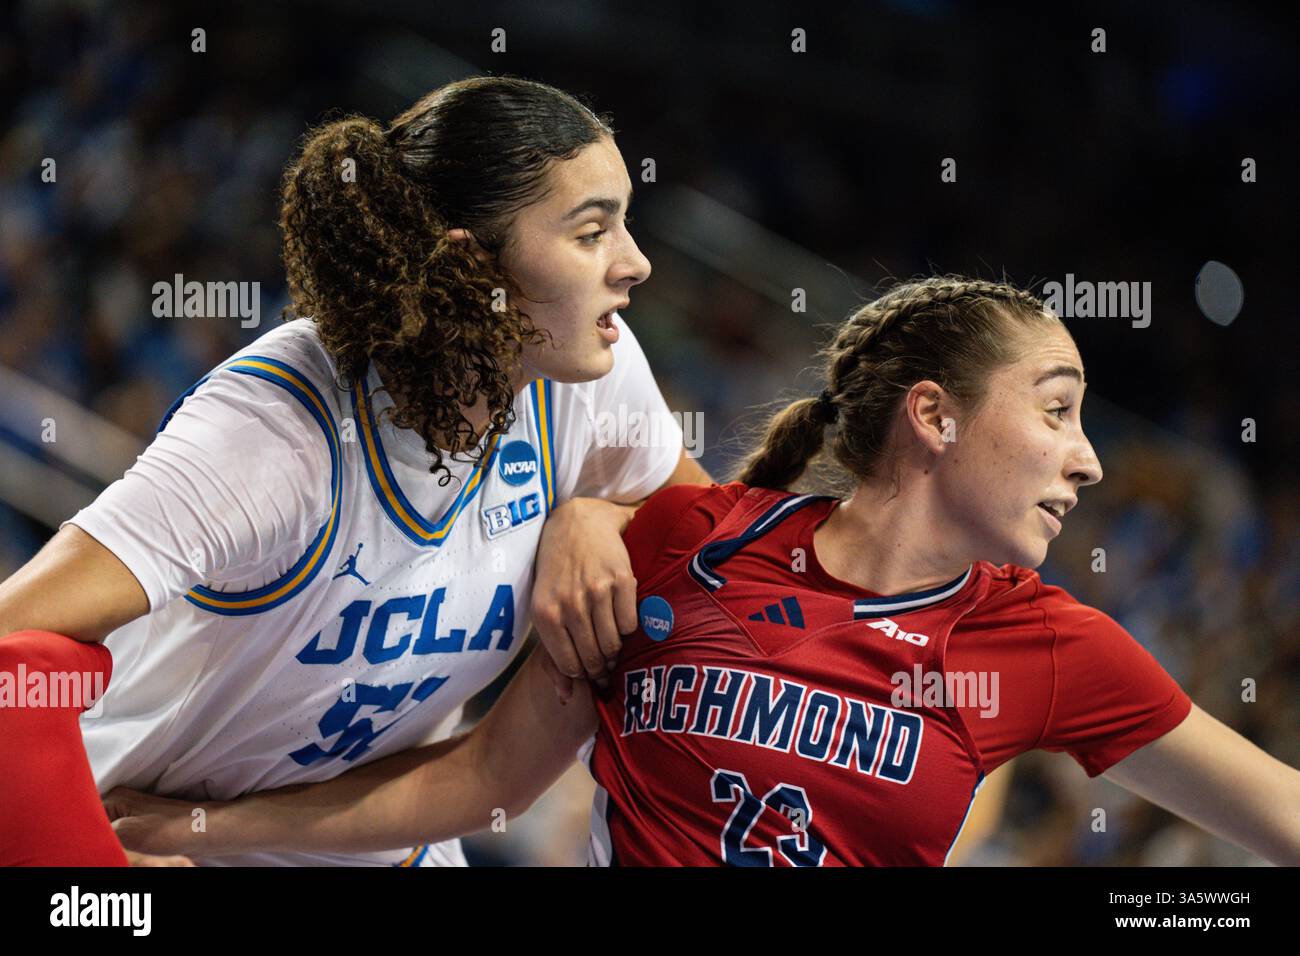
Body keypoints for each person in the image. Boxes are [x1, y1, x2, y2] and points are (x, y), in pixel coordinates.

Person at [105, 276, 1300, 866]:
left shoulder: (1050, 643)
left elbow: (1275, 817)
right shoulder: (689, 545)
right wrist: (205, 821)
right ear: (933, 416)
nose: (1088, 459)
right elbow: (484, 783)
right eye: (1057, 411)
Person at [0, 75, 710, 867]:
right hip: (145, 832)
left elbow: (712, 554)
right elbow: (11, 647)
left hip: (377, 838)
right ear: (472, 268)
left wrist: (603, 518)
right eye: (590, 234)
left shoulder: (588, 377)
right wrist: (86, 867)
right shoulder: (275, 434)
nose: (636, 264)